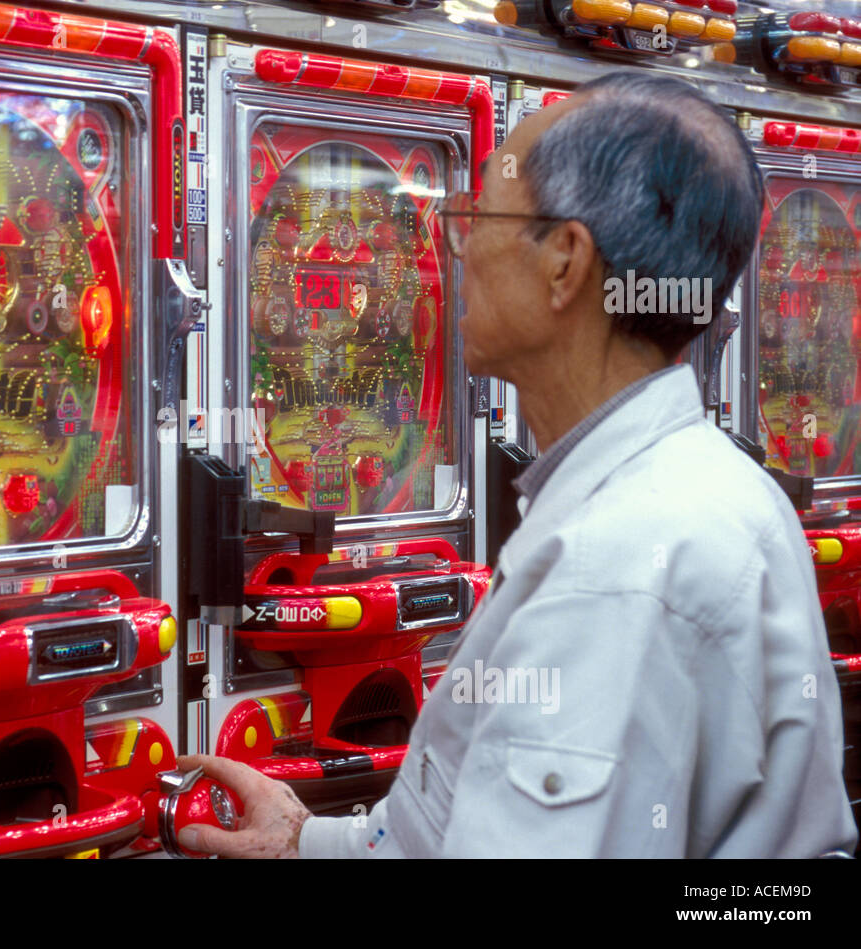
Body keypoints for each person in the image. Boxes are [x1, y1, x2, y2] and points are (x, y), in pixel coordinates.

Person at [178, 72, 859, 858]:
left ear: (565, 262)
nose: (458, 241)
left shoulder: (619, 559)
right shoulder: (705, 487)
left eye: (481, 214)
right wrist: (306, 840)